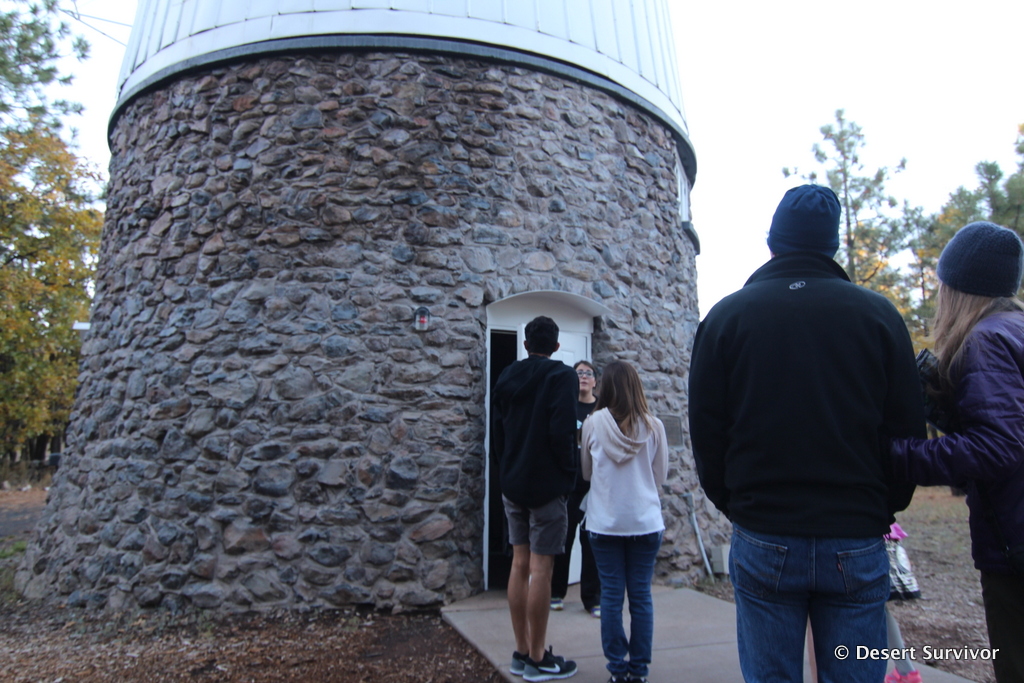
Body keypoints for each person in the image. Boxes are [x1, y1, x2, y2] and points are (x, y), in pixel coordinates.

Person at [688, 184, 926, 683]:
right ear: (832, 246)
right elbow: (907, 431)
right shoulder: (879, 317)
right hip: (856, 531)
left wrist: (741, 504)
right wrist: (884, 506)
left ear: (773, 242)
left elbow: (707, 434)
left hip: (765, 527)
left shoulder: (728, 318)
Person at [889, 221, 1024, 683]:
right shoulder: (1016, 330)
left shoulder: (985, 340)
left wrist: (899, 454)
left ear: (958, 288)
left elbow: (998, 448)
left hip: (1015, 545)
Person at [491, 315, 579, 681]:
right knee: (542, 569)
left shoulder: (507, 376)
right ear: (557, 346)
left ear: (526, 344)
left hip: (513, 483)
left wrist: (504, 471)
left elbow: (497, 431)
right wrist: (567, 476)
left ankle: (521, 651)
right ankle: (539, 659)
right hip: (546, 488)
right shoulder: (562, 376)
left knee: (519, 565)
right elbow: (562, 432)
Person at [581, 360, 669, 683]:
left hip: (605, 524)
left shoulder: (592, 424)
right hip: (645, 522)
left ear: (606, 385)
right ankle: (639, 671)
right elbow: (661, 477)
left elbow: (587, 473)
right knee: (641, 597)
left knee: (611, 598)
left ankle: (617, 670)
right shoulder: (654, 426)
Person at [550, 360, 602, 617]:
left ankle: (592, 599)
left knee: (591, 543)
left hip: (595, 488)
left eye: (587, 373)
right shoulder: (565, 405)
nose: (583, 376)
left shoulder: (602, 410)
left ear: (595, 380)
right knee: (564, 540)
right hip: (568, 486)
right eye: (578, 373)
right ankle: (556, 593)